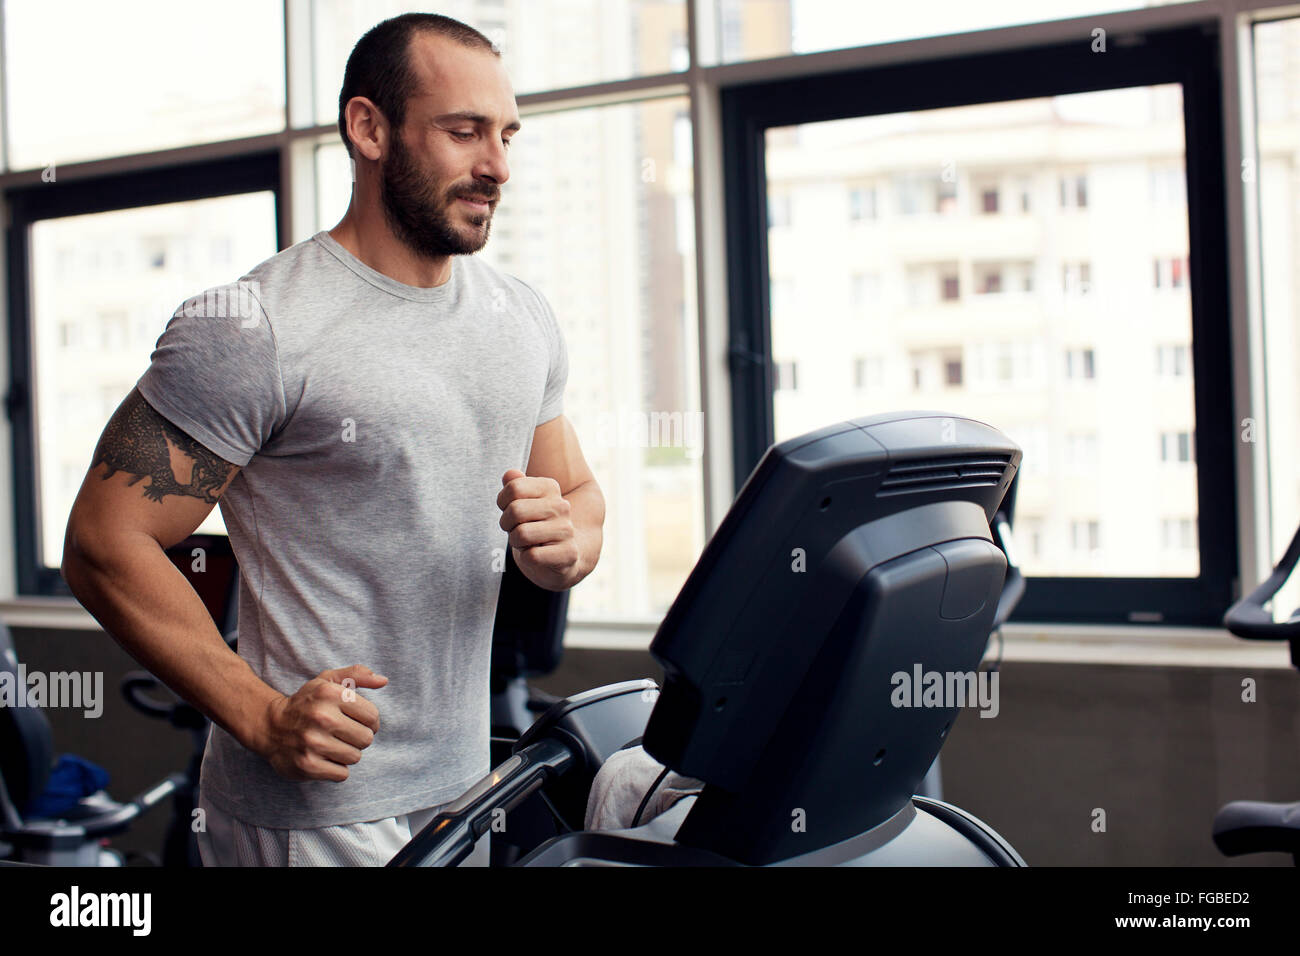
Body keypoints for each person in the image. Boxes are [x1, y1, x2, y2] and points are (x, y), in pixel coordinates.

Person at [59, 12, 605, 867]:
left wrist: (567, 545)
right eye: (463, 132)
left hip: (467, 789)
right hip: (310, 814)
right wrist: (260, 714)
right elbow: (103, 542)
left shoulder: (521, 319)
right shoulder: (254, 327)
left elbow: (575, 495)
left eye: (505, 135)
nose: (496, 165)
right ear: (369, 128)